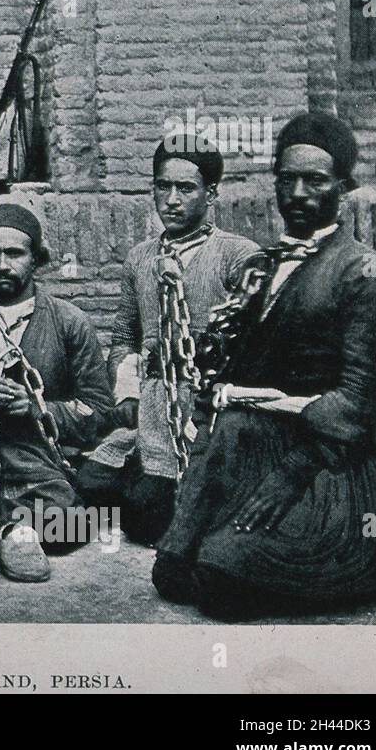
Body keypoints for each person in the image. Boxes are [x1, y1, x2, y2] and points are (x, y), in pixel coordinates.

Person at [153, 112, 376, 619]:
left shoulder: (365, 271)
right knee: (173, 573)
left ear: (344, 188)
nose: (298, 193)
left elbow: (362, 401)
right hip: (250, 446)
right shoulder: (260, 266)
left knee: (221, 582)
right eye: (287, 180)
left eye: (315, 180)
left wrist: (292, 474)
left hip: (328, 466)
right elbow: (229, 372)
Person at [79, 135, 258, 545]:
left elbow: (253, 342)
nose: (172, 200)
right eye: (163, 187)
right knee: (90, 485)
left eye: (186, 188)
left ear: (210, 194)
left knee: (149, 518)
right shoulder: (141, 257)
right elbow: (125, 334)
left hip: (207, 408)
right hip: (155, 406)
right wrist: (127, 393)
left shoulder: (237, 255)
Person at [0, 205, 113, 579]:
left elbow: (101, 411)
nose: (2, 265)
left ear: (36, 259)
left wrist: (37, 408)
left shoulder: (70, 322)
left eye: (15, 254)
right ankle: (11, 529)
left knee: (73, 525)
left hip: (39, 465)